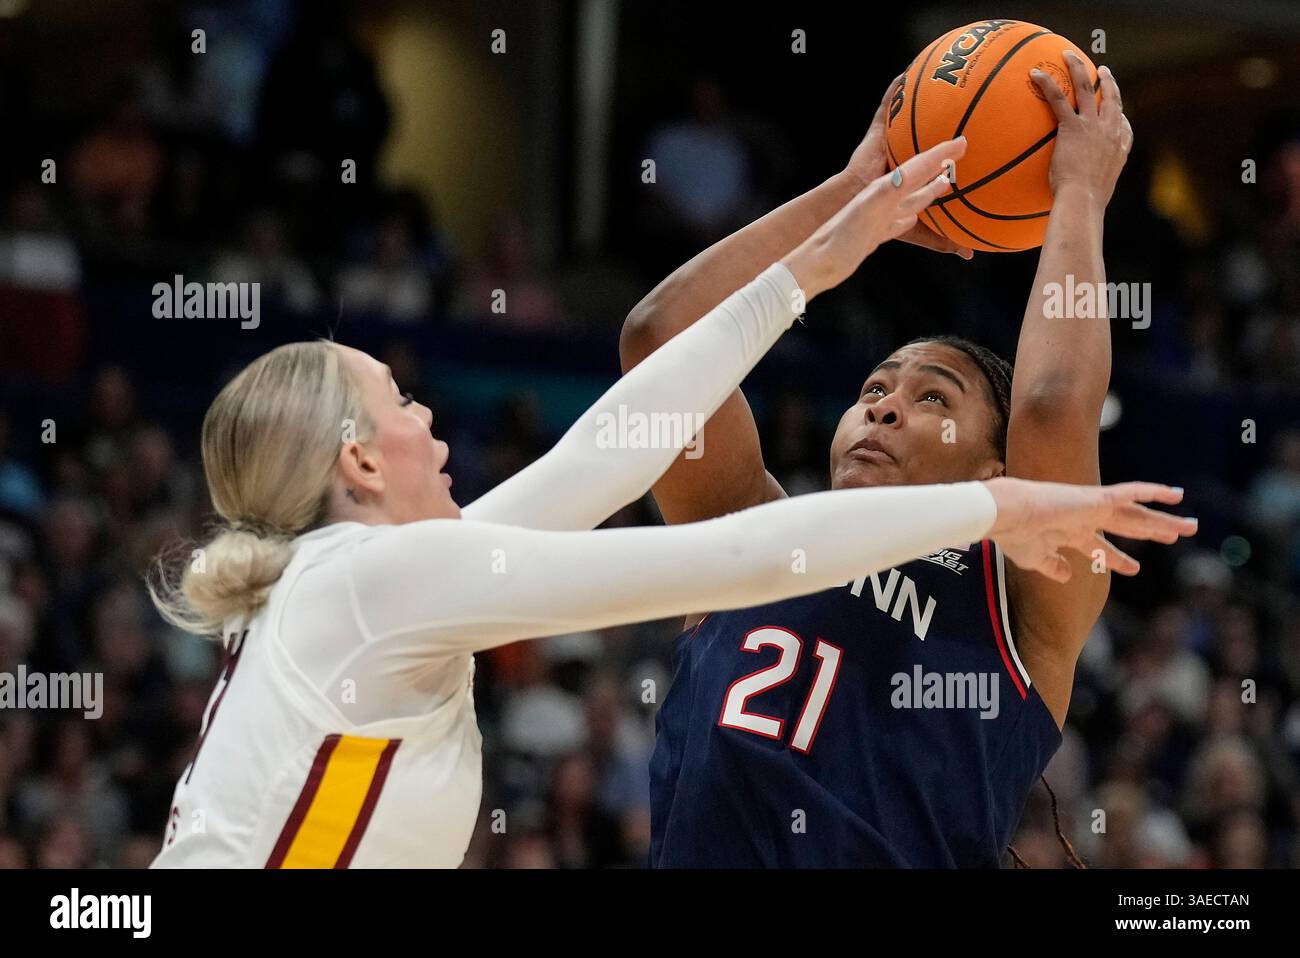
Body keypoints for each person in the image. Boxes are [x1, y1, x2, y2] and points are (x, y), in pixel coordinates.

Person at [147, 135, 1189, 869]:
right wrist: (999, 503)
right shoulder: (379, 578)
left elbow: (614, 440)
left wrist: (831, 241)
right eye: (404, 403)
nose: (433, 422)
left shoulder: (396, 574)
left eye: (927, 397)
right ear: (361, 465)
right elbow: (744, 551)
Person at [623, 57, 1145, 866]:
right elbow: (662, 338)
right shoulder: (749, 528)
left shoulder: (1023, 603)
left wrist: (1079, 192)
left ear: (993, 476)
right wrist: (856, 191)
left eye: (935, 399)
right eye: (875, 387)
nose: (885, 405)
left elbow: (1049, 408)